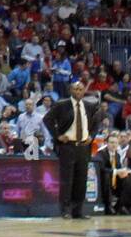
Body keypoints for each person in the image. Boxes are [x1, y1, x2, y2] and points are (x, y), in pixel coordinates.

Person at [43, 80, 106, 219]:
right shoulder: (62, 105)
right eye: (76, 89)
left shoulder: (89, 106)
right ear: (71, 90)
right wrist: (58, 136)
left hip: (83, 147)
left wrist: (92, 136)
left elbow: (96, 122)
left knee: (81, 180)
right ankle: (65, 210)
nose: (78, 91)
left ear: (84, 91)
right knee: (67, 180)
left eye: (81, 89)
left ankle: (78, 211)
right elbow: (47, 119)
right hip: (68, 146)